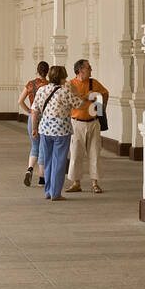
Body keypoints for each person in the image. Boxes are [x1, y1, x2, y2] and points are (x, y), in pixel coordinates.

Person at [32, 65, 76, 201]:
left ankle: (48, 192)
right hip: (62, 131)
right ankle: (56, 193)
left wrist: (34, 129)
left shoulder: (41, 90)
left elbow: (34, 111)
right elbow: (78, 104)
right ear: (62, 77)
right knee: (59, 161)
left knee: (48, 160)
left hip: (45, 129)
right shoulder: (65, 91)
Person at [66, 58, 109, 194]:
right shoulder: (70, 84)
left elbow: (105, 93)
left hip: (93, 122)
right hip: (76, 123)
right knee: (76, 154)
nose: (90, 69)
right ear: (80, 70)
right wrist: (86, 96)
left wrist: (102, 109)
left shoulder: (93, 82)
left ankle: (95, 183)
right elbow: (70, 102)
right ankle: (76, 182)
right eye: (88, 67)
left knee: (95, 153)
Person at [18, 61, 48, 187]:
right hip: (46, 118)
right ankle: (42, 179)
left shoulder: (30, 84)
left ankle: (30, 168)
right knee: (43, 148)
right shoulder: (49, 85)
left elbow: (20, 101)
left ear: (37, 70)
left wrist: (29, 111)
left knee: (34, 146)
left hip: (32, 117)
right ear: (47, 72)